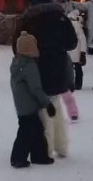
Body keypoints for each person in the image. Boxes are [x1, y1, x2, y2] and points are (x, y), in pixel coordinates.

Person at [13, 0, 76, 158]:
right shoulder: (60, 18)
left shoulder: (27, 20)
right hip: (58, 68)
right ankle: (61, 145)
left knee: (42, 109)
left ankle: (45, 147)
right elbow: (72, 43)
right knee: (55, 105)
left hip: (36, 68)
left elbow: (16, 46)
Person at [9, 32, 55, 168]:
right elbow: (36, 88)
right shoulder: (29, 65)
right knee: (26, 132)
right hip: (28, 105)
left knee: (36, 129)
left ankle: (39, 156)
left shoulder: (17, 63)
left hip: (22, 104)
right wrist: (48, 104)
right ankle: (18, 158)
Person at [62, 8, 87, 121]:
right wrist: (83, 52)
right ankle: (77, 84)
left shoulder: (69, 24)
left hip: (70, 50)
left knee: (70, 69)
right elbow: (82, 39)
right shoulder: (77, 24)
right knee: (77, 68)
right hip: (75, 50)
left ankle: (72, 84)